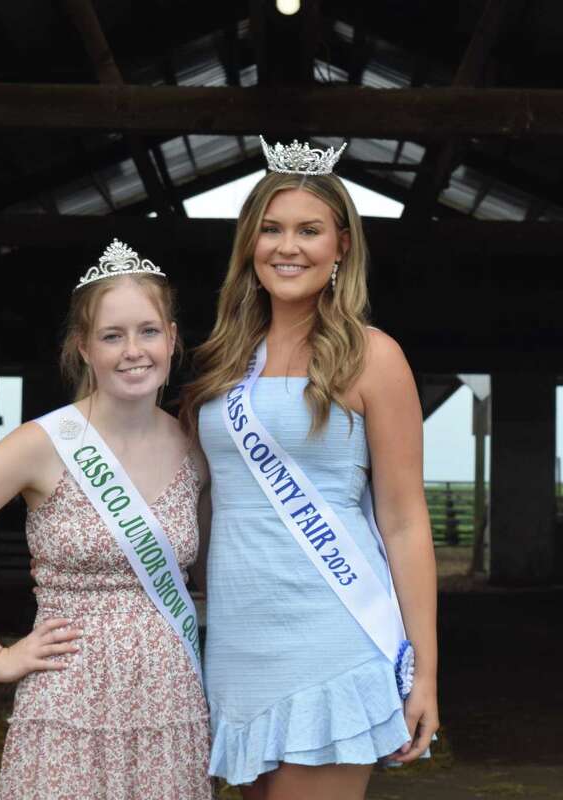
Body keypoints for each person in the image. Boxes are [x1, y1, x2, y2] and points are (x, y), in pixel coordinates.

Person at [0, 240, 211, 800]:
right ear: (84, 348)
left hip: (169, 702)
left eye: (148, 331)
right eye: (112, 336)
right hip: (69, 701)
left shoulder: (195, 448)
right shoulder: (41, 444)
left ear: (173, 338)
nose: (133, 350)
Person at [179, 138, 439, 799]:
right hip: (239, 639)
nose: (286, 247)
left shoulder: (373, 358)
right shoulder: (220, 362)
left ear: (342, 246)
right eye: (270, 229)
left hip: (331, 632)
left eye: (308, 230)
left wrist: (425, 675)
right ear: (249, 243)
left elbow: (406, 521)